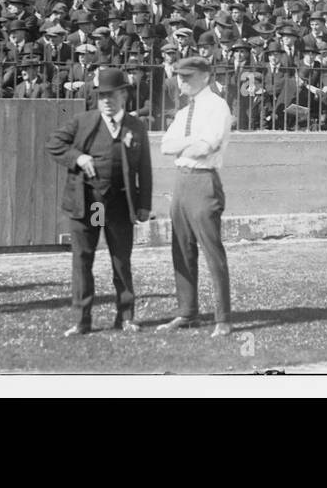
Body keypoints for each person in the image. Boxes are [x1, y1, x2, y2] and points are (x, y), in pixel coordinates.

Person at [46, 67, 153, 336]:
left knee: (121, 260)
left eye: (112, 95)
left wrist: (144, 204)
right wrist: (78, 158)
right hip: (91, 205)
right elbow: (54, 143)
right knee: (84, 259)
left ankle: (126, 317)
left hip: (118, 204)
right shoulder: (83, 122)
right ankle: (82, 320)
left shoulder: (135, 126)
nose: (106, 100)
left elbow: (145, 169)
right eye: (102, 95)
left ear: (124, 95)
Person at [157, 56, 235, 338]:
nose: (181, 81)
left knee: (212, 251)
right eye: (179, 76)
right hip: (181, 183)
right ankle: (187, 312)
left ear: (205, 76)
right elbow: (165, 147)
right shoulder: (183, 112)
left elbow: (207, 147)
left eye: (188, 76)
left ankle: (223, 319)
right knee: (181, 249)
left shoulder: (217, 106)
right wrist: (190, 143)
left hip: (203, 182)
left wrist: (186, 146)